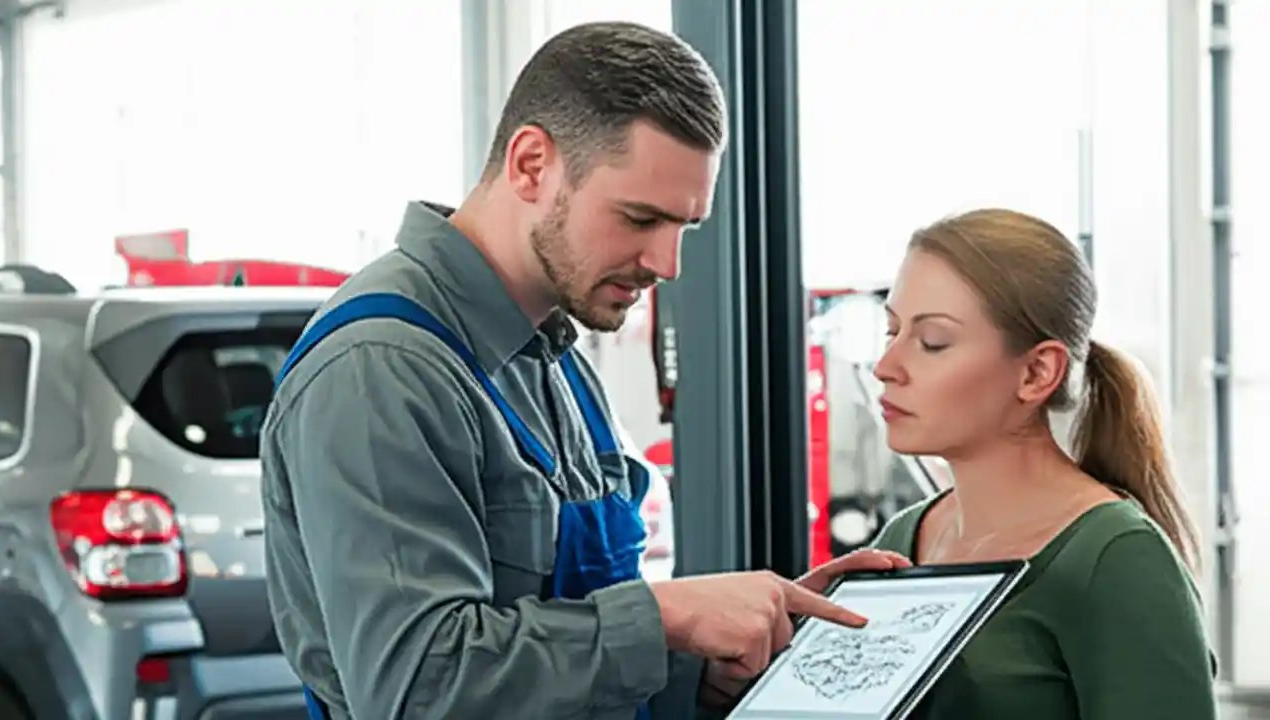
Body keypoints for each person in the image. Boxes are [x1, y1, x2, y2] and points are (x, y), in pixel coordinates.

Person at [259, 21, 908, 720]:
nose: (667, 265)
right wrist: (667, 618)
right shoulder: (383, 370)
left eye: (683, 228)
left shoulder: (554, 360)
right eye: (639, 218)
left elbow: (571, 650)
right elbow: (419, 688)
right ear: (532, 164)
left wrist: (719, 658)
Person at [865, 208, 1217, 718]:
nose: (886, 367)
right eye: (891, 332)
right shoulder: (901, 542)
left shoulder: (1117, 560)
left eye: (932, 342)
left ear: (1036, 372)